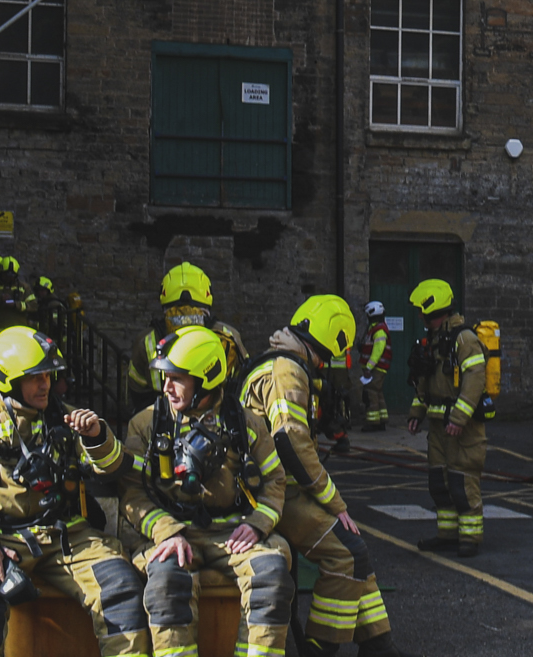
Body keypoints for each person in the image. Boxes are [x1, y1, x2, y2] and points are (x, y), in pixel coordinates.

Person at [0, 324, 148, 657]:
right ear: (8, 378)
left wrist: (95, 437)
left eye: (47, 375)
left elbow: (115, 467)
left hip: (65, 537)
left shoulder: (66, 418)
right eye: (35, 377)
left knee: (119, 585)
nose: (45, 383)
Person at [112, 324, 296, 657]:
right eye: (165, 377)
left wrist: (257, 524)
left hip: (233, 532)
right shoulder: (146, 424)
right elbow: (132, 493)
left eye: (177, 378)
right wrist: (167, 533)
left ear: (206, 380)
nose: (166, 386)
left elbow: (275, 481)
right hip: (172, 533)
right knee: (167, 584)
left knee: (272, 576)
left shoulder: (245, 423)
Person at [241, 295, 401, 657]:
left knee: (354, 547)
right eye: (328, 358)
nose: (325, 366)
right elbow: (290, 442)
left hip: (280, 486)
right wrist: (334, 501)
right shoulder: (287, 370)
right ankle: (320, 647)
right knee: (346, 553)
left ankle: (379, 646)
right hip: (275, 493)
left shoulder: (281, 361)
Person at [405, 280, 487, 555]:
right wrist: (417, 413)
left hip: (461, 428)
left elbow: (475, 379)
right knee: (440, 483)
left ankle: (470, 539)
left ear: (433, 308)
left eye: (421, 310)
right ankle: (448, 535)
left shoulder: (464, 339)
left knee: (462, 482)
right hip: (439, 426)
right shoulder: (434, 340)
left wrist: (460, 418)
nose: (419, 316)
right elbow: (425, 382)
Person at [128, 261, 250, 397]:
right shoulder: (228, 335)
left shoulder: (146, 340)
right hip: (217, 412)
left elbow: (136, 388)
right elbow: (246, 380)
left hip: (159, 413)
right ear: (207, 295)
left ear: (164, 295)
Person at [358, 301, 394, 433]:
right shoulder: (375, 328)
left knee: (371, 393)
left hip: (376, 368)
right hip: (377, 367)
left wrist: (368, 367)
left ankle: (373, 422)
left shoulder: (379, 330)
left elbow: (378, 350)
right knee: (378, 393)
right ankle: (382, 420)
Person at [0, 255, 36, 337]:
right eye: (6, 275)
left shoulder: (23, 288)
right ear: (0, 273)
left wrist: (15, 305)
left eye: (12, 275)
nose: (9, 278)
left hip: (17, 333)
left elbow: (33, 306)